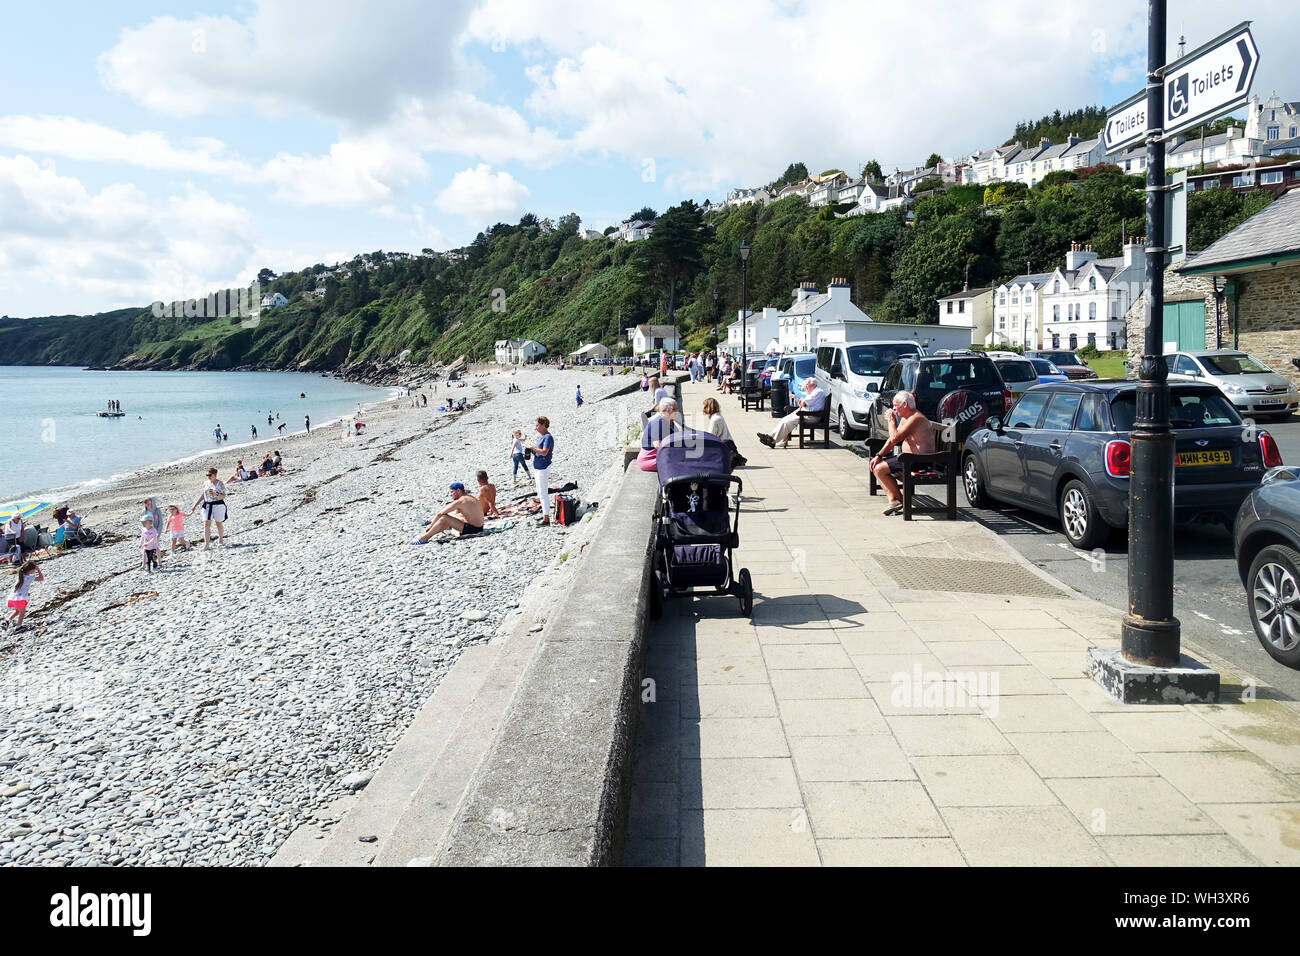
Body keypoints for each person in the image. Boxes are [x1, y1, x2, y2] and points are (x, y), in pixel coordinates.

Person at [869, 390, 936, 516]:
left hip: (919, 462)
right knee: (876, 466)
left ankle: (897, 501)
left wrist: (891, 420)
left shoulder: (915, 418)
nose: (893, 409)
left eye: (895, 405)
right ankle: (896, 500)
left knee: (879, 469)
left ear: (905, 404)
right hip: (908, 459)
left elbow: (895, 438)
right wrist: (879, 455)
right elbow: (892, 440)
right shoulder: (907, 418)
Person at [758, 376, 827, 449]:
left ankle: (773, 441)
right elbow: (803, 402)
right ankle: (770, 437)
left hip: (812, 417)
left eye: (806, 385)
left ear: (813, 385)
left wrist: (802, 400)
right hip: (807, 415)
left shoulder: (817, 392)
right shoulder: (814, 392)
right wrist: (801, 400)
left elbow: (804, 403)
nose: (805, 387)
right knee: (784, 419)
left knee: (787, 422)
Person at [412, 482, 486, 543]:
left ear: (458, 491)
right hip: (480, 527)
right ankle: (432, 527)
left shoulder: (460, 501)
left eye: (452, 492)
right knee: (451, 516)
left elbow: (440, 514)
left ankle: (424, 538)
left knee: (444, 518)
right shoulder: (470, 497)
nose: (450, 494)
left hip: (473, 529)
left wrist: (430, 526)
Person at [524, 416, 555, 525]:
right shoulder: (542, 437)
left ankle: (546, 519)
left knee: (543, 493)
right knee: (540, 492)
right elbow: (539, 452)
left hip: (543, 468)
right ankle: (544, 515)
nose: (535, 428)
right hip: (538, 467)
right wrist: (530, 449)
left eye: (537, 425)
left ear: (542, 425)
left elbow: (544, 452)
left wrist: (532, 447)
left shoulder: (547, 437)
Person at [189, 467, 228, 549]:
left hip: (218, 505)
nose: (208, 477)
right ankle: (206, 544)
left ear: (215, 474)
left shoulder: (220, 483)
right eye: (207, 475)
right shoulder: (206, 483)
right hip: (207, 505)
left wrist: (215, 494)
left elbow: (223, 496)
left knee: (218, 523)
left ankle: (220, 540)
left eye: (210, 475)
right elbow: (203, 494)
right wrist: (195, 505)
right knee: (206, 524)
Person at [638, 397, 680, 471]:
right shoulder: (659, 423)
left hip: (658, 456)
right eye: (674, 409)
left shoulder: (670, 422)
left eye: (677, 409)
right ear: (664, 411)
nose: (677, 411)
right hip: (649, 459)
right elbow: (659, 446)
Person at [702, 397, 746, 468]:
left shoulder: (714, 419)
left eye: (704, 407)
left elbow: (711, 436)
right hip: (729, 443)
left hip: (723, 444)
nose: (703, 410)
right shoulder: (718, 415)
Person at [5, 560, 42, 631]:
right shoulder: (29, 577)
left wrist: (26, 593)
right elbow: (41, 578)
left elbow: (21, 587)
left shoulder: (21, 576)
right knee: (22, 612)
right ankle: (18, 627)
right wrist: (38, 570)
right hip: (20, 599)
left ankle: (7, 621)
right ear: (31, 570)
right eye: (34, 569)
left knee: (17, 611)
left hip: (13, 597)